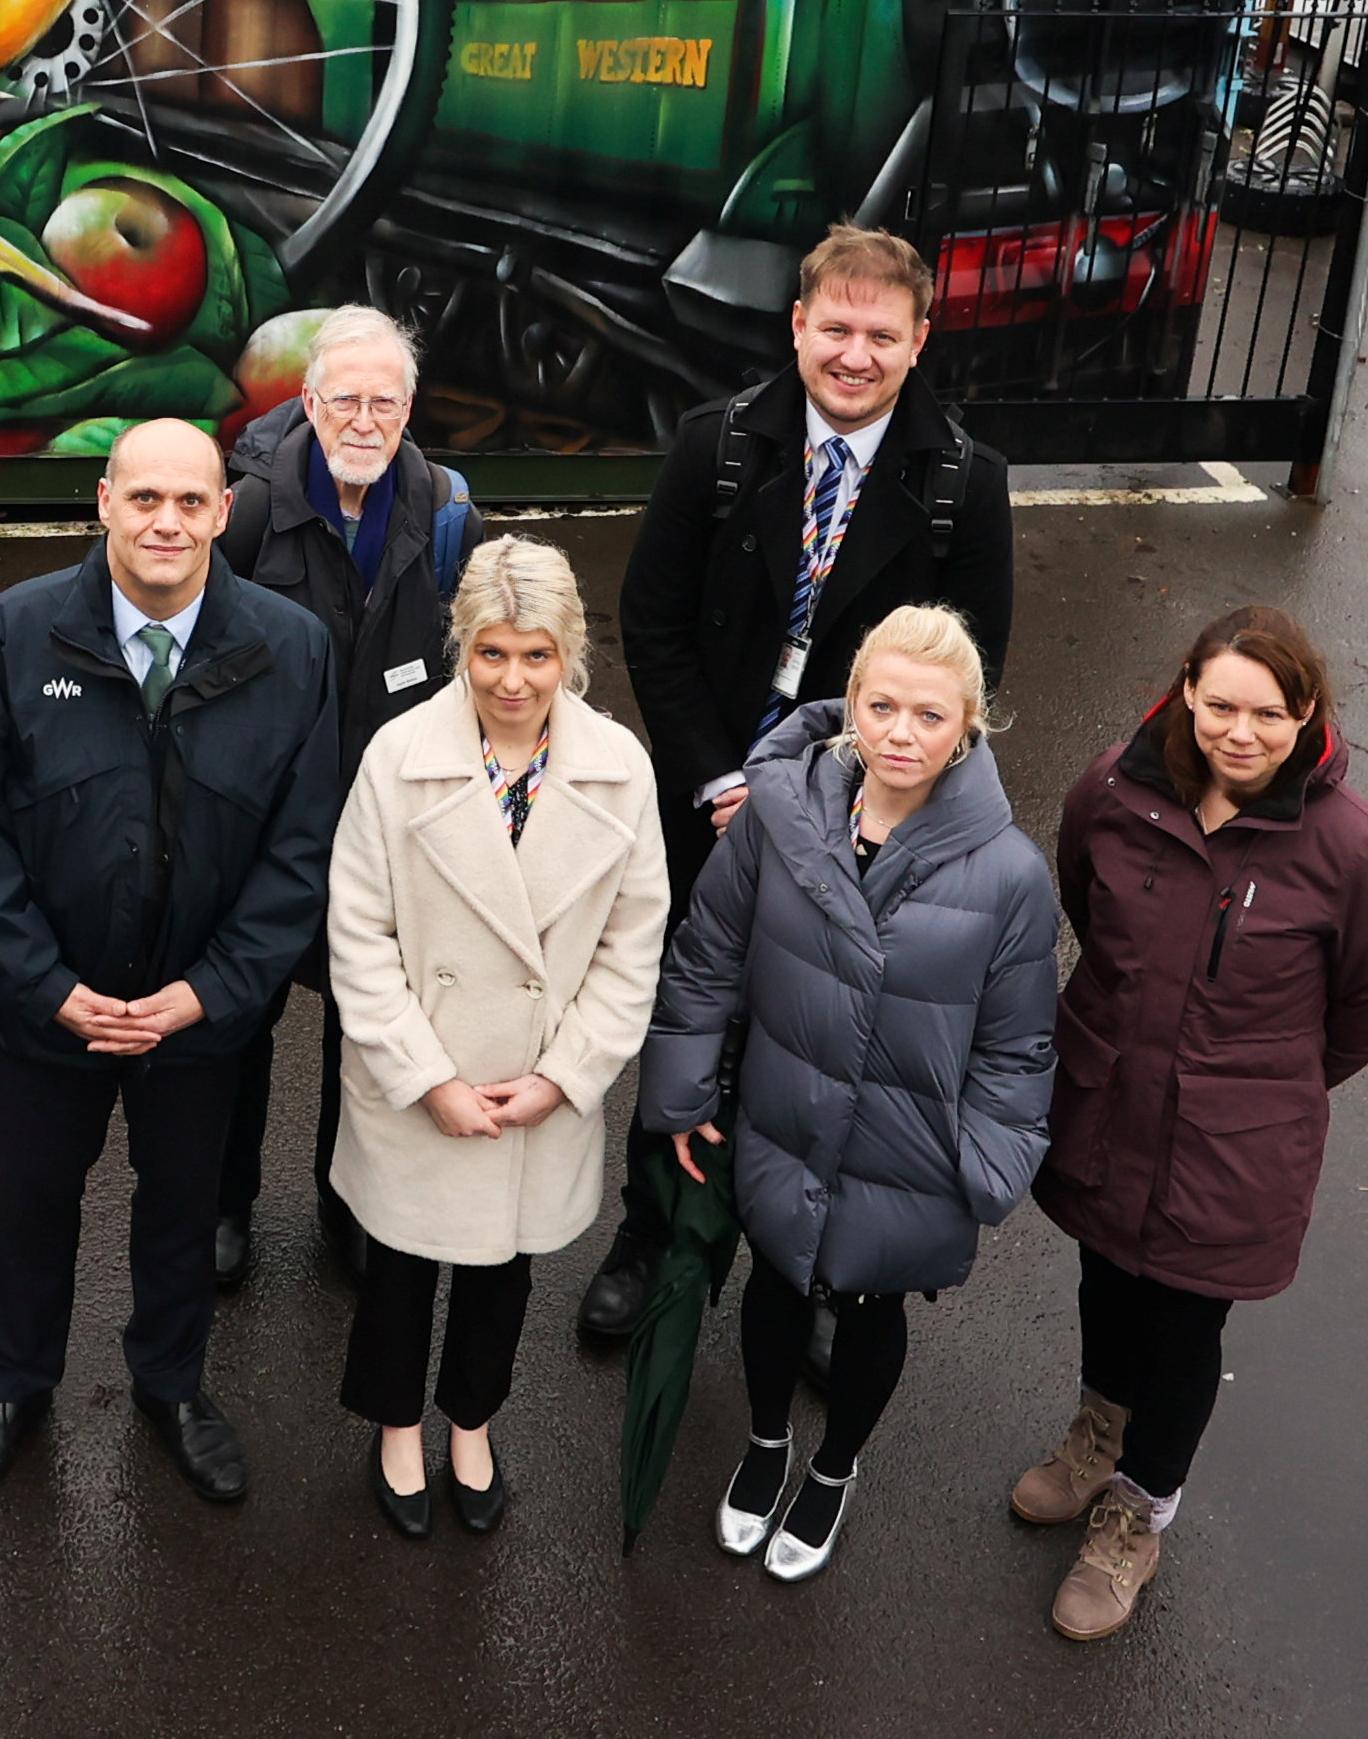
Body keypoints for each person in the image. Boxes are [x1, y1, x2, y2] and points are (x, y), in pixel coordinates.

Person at [592, 224, 1015, 1346]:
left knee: (829, 1042)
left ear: (921, 340)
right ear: (797, 325)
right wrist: (724, 780)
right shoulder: (716, 446)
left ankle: (820, 1269)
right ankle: (659, 1226)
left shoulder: (965, 487)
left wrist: (814, 796)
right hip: (717, 798)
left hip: (858, 819)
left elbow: (967, 681)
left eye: (883, 334)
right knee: (695, 1011)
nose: (856, 354)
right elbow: (655, 623)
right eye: (836, 327)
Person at [0, 419, 343, 1507]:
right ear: (102, 501)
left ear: (223, 512)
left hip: (199, 1024)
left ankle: (171, 1385)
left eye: (191, 502)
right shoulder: (14, 634)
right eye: (145, 497)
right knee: (34, 1203)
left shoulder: (292, 649)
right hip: (45, 1016)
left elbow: (300, 852)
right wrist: (46, 986)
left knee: (181, 1209)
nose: (167, 522)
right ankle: (15, 1386)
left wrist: (206, 994)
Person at [1009, 605, 1368, 1640]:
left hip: (1231, 1146)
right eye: (1222, 705)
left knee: (1187, 1322)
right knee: (1106, 1276)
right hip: (1109, 1103)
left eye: (1269, 714)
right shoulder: (1109, 790)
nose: (1242, 732)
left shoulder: (1356, 850)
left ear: (1308, 714)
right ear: (1186, 690)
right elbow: (1083, 902)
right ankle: (1097, 1433)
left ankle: (1137, 1513)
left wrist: (1269, 1083)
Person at [639, 604, 1055, 1582]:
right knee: (777, 1282)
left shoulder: (1010, 874)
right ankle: (767, 1441)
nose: (902, 734)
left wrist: (981, 1169)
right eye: (882, 706)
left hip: (906, 1145)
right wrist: (685, 1093)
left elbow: (1020, 1042)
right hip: (786, 1110)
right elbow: (706, 959)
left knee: (869, 1308)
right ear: (849, 706)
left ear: (970, 725)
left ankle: (833, 1466)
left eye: (930, 715)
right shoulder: (777, 818)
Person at [325, 537, 665, 1540]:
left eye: (536, 656)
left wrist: (566, 1076)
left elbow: (631, 944)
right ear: (461, 648)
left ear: (570, 657)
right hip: (418, 1080)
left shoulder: (619, 770)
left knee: (502, 1274)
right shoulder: (399, 758)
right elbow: (358, 930)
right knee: (398, 1269)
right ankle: (396, 1424)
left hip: (533, 1089)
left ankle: (469, 1421)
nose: (512, 680)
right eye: (491, 654)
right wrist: (425, 1076)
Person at [219, 302, 483, 1288]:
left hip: (389, 837)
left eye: (384, 401)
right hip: (263, 830)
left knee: (366, 1030)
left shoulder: (452, 515)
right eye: (344, 401)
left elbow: (474, 677)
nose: (363, 421)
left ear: (408, 406)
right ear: (309, 403)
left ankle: (345, 1199)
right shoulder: (244, 515)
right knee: (240, 1024)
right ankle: (226, 1202)